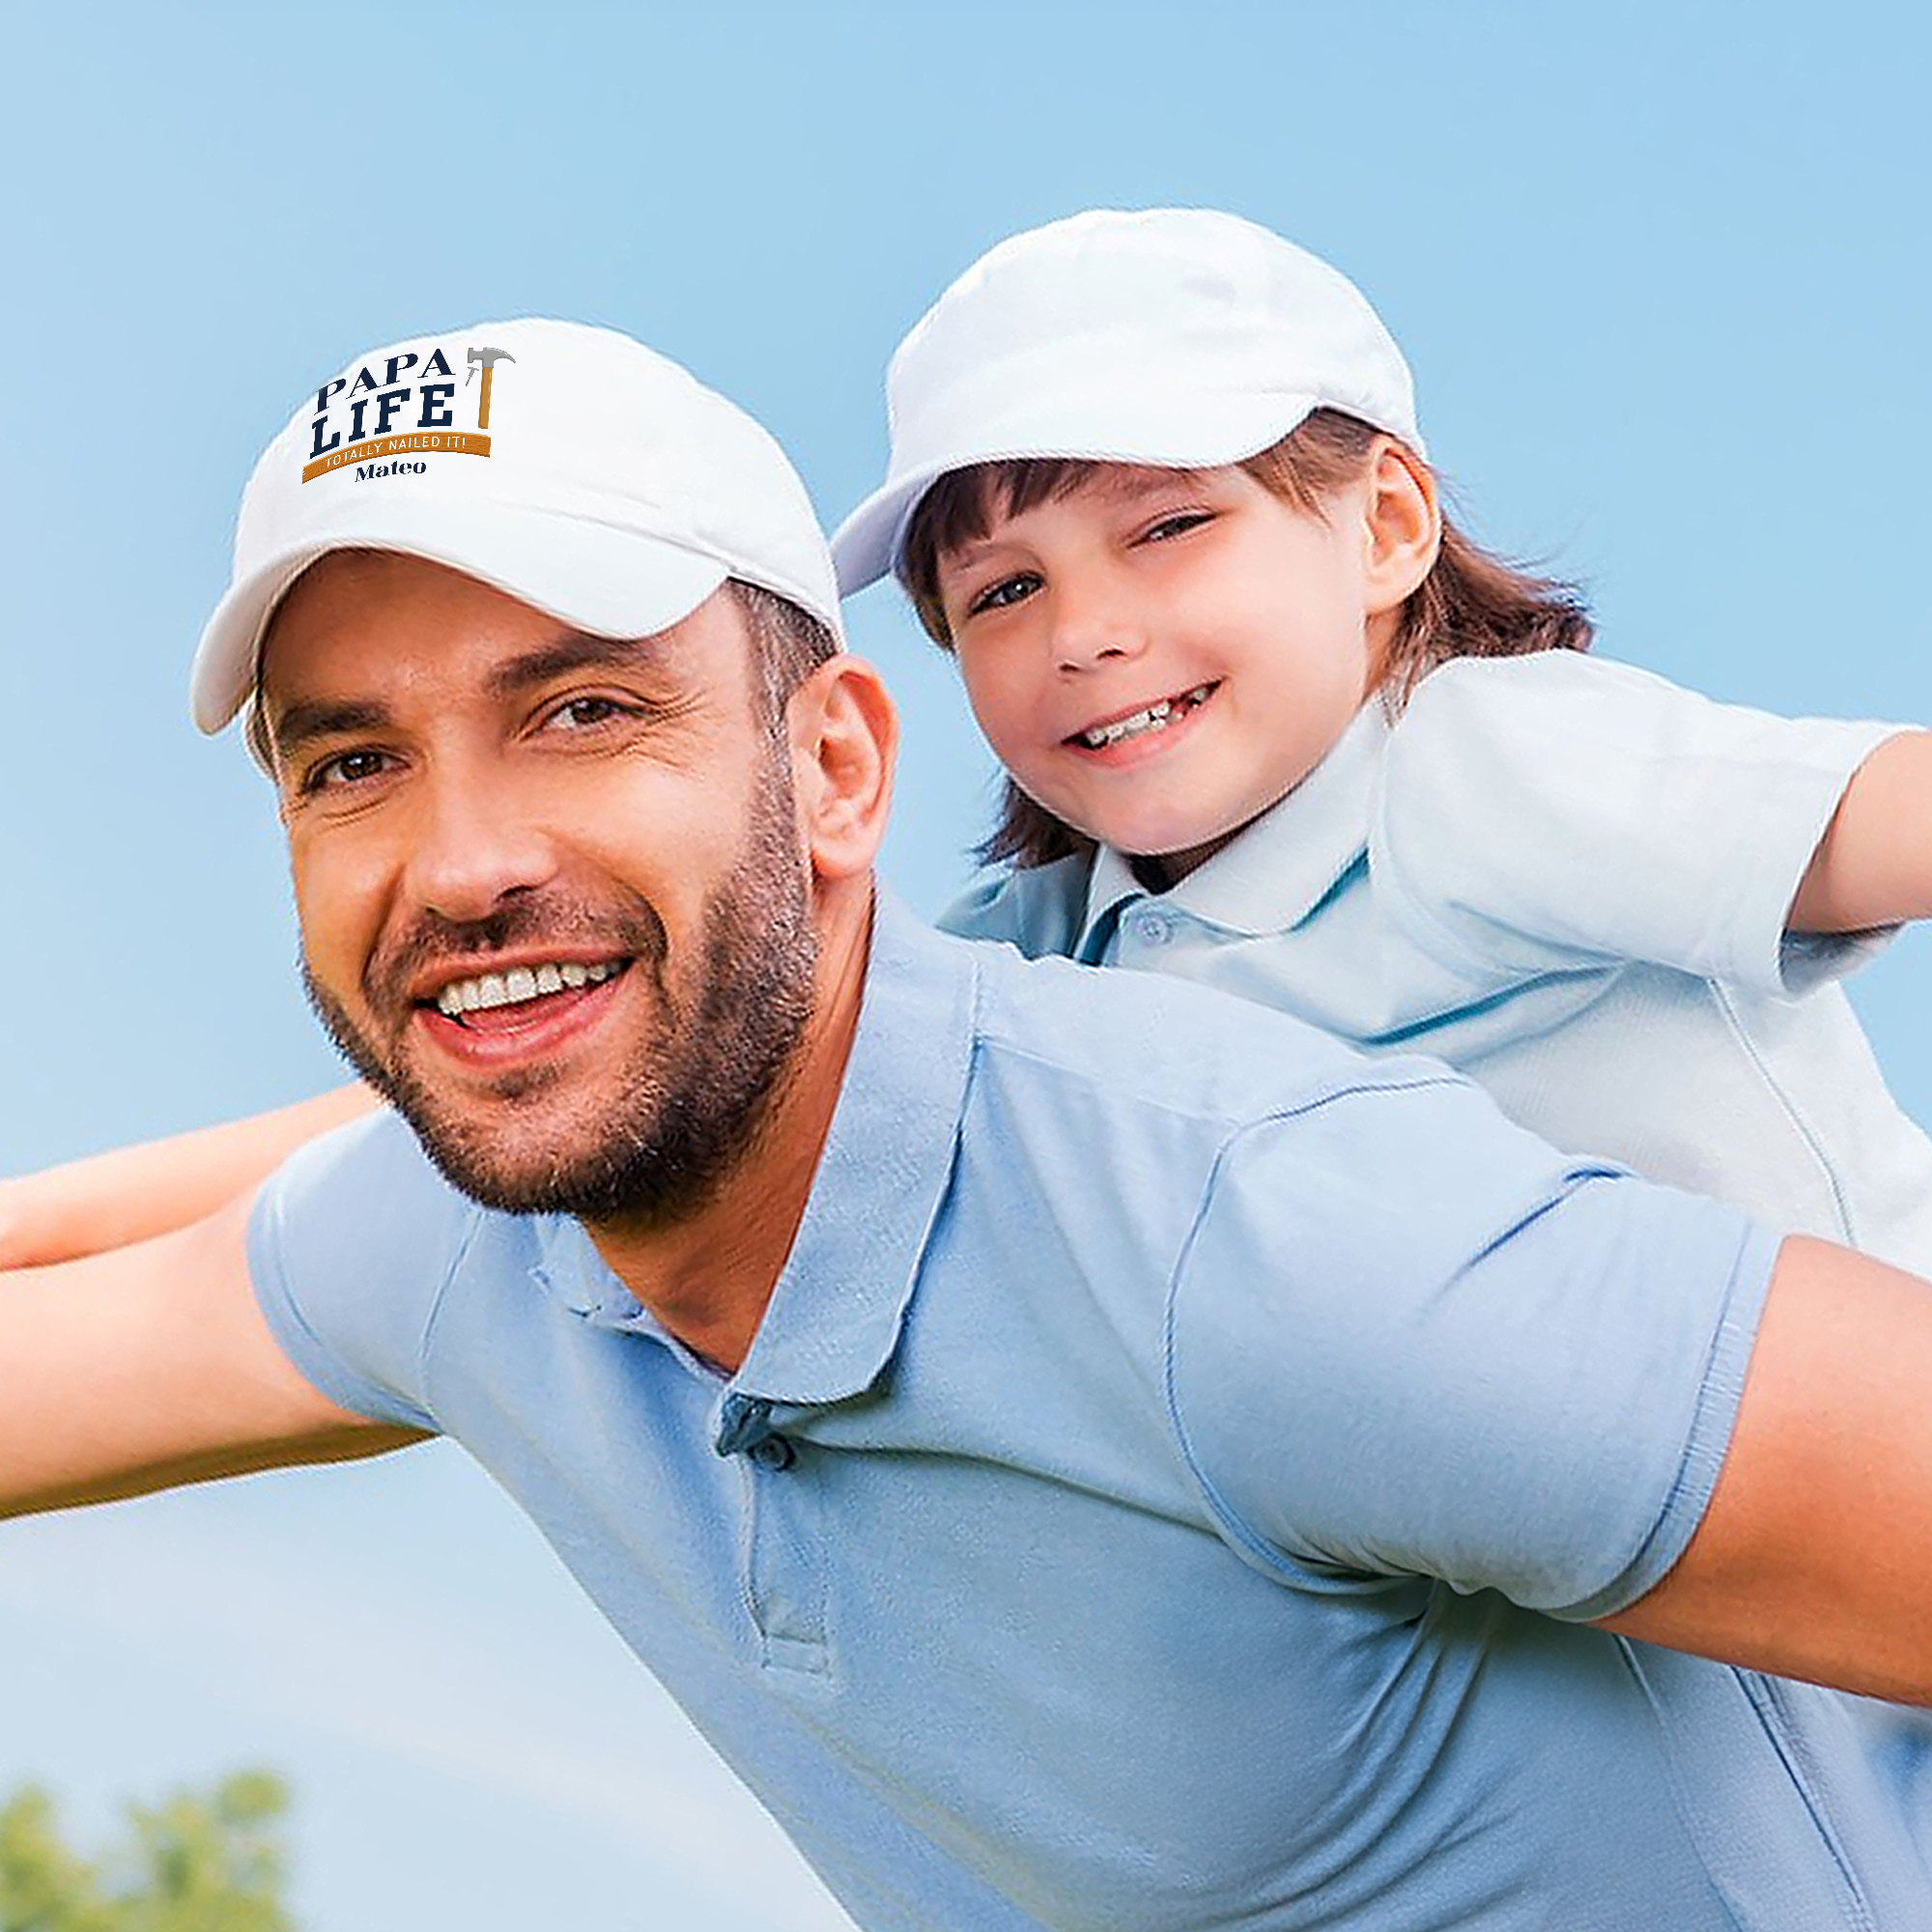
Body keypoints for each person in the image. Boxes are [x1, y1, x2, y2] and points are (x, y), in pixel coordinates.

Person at [9, 315, 1932, 1930]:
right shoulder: (479, 1241)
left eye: (583, 713)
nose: (465, 861)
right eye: (353, 760)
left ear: (835, 766)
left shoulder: (1254, 1231)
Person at [831, 205, 1932, 1270]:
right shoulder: (1032, 954)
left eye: (1166, 526)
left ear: (1384, 526)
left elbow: (1890, 815)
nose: (1081, 633)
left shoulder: (1484, 767)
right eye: (1005, 590)